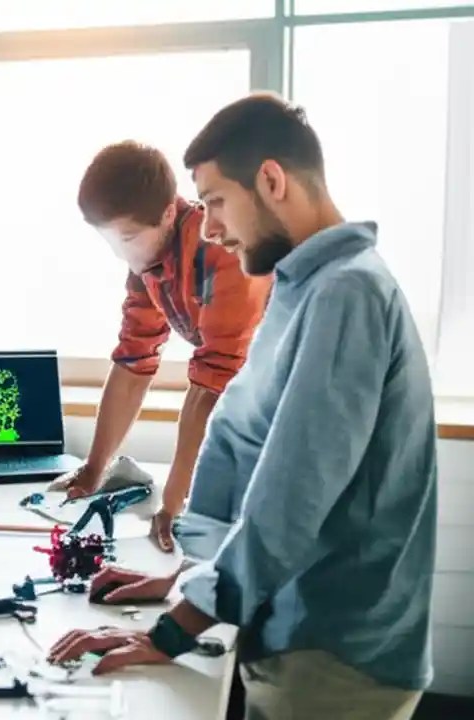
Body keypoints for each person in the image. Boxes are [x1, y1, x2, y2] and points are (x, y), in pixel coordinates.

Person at [48, 93, 436, 720]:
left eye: (217, 202)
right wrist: (185, 580)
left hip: (332, 655)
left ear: (272, 180)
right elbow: (243, 444)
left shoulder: (347, 295)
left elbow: (292, 493)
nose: (210, 227)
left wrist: (171, 630)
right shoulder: (298, 286)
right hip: (288, 629)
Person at [49, 141, 272, 551]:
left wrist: (172, 503)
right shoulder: (145, 263)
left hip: (287, 416)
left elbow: (212, 383)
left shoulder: (223, 250)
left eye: (129, 237)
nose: (121, 253)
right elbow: (133, 362)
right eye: (110, 240)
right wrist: (94, 470)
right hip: (242, 412)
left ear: (169, 212)